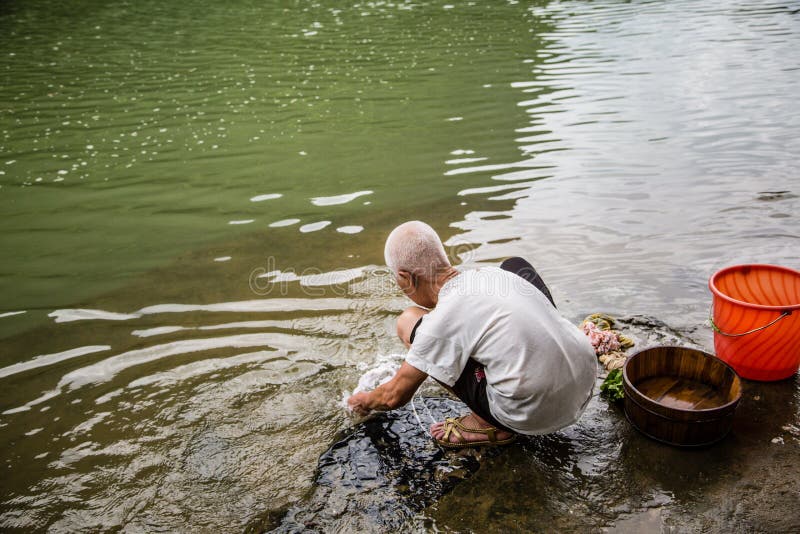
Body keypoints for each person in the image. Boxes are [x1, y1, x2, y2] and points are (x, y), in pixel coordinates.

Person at [347, 221, 597, 447]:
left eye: (398, 282)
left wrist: (361, 402)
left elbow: (392, 397)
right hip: (586, 381)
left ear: (406, 277)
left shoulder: (441, 322)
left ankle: (489, 426)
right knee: (516, 264)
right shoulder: (494, 275)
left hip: (533, 414)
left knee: (407, 322)